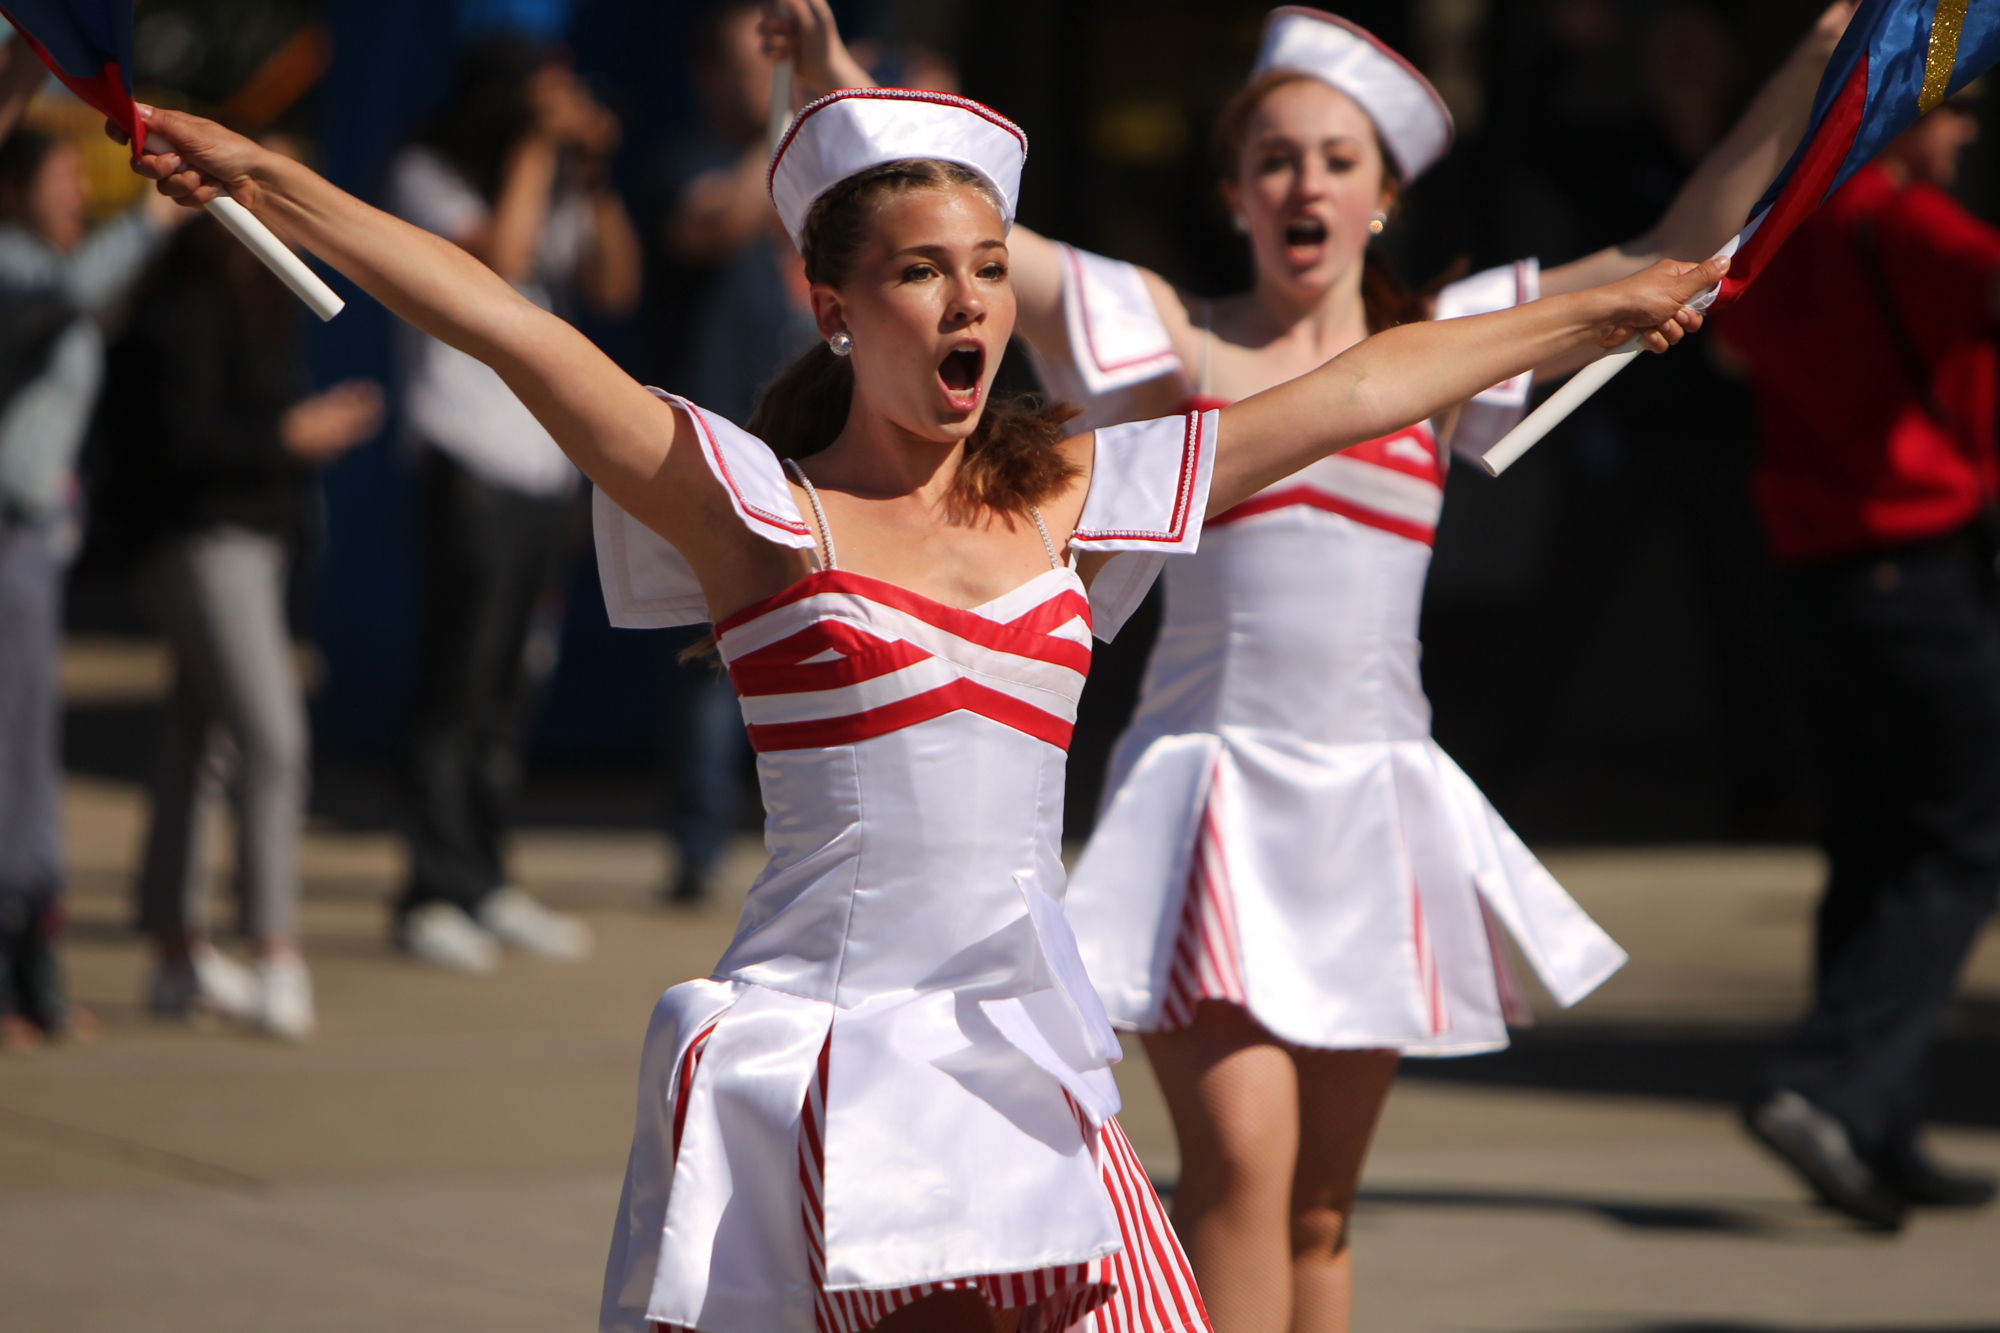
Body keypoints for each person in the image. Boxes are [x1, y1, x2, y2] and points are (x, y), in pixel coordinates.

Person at [115, 83, 1718, 1331]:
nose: (966, 303)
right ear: (832, 305)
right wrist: (263, 175)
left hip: (1027, 1075)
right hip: (825, 1078)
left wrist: (1606, 305)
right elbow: (510, 325)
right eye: (918, 274)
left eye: (985, 272)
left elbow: (1362, 387)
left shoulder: (1074, 497)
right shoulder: (755, 509)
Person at [770, 4, 1847, 1329]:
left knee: (1322, 1217)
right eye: (1274, 158)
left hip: (1372, 821)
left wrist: (1817, 48)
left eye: (1337, 160)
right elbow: (969, 236)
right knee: (1241, 1172)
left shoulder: (1441, 351)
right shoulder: (1174, 342)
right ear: (1232, 190)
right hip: (1204, 813)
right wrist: (834, 87)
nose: (1305, 184)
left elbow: (1677, 247)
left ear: (1385, 196)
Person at [1717, 92, 2000, 1230]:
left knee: (1872, 845)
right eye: (1956, 108)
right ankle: (1826, 1084)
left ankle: (1872, 1126)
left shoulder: (1792, 231)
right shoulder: (1908, 224)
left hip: (1809, 575)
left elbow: (1732, 352)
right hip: (1915, 569)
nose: (1967, 135)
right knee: (1960, 844)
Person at [91, 192, 383, 1040]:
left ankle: (177, 950)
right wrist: (291, 437)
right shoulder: (176, 314)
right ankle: (274, 950)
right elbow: (184, 446)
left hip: (252, 542)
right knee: (271, 738)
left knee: (201, 737)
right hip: (202, 543)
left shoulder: (258, 308)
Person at [383, 35, 641, 972]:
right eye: (545, 96)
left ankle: (485, 877)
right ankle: (429, 887)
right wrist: (536, 149)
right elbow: (504, 260)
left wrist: (596, 173)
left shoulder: (558, 179)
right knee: (458, 679)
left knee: (512, 684)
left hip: (542, 467)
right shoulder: (427, 173)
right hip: (467, 451)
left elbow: (614, 280)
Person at [0, 125, 183, 1048]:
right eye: (64, 177)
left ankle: (34, 970)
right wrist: (153, 216)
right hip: (10, 537)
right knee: (10, 757)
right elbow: (74, 289)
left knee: (30, 756)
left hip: (37, 538)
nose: (78, 194)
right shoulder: (14, 265)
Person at [646, 0, 811, 904]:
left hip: (807, 448)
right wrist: (791, 125)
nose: (768, 78)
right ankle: (696, 843)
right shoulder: (688, 163)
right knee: (718, 656)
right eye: (756, 62)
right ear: (710, 74)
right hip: (717, 448)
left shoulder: (800, 174)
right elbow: (709, 221)